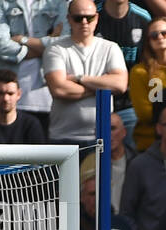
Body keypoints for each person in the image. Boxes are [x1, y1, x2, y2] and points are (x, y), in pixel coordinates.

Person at [42, 0, 129, 144]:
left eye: (89, 18)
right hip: (63, 137)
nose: (84, 22)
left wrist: (79, 78)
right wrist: (102, 88)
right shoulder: (55, 49)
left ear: (96, 18)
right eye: (78, 18)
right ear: (69, 19)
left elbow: (120, 85)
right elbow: (59, 90)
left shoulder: (111, 48)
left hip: (102, 138)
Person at [129, 16, 166, 151]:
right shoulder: (139, 72)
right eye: (154, 35)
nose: (160, 37)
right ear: (148, 41)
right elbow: (144, 114)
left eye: (165, 33)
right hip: (150, 143)